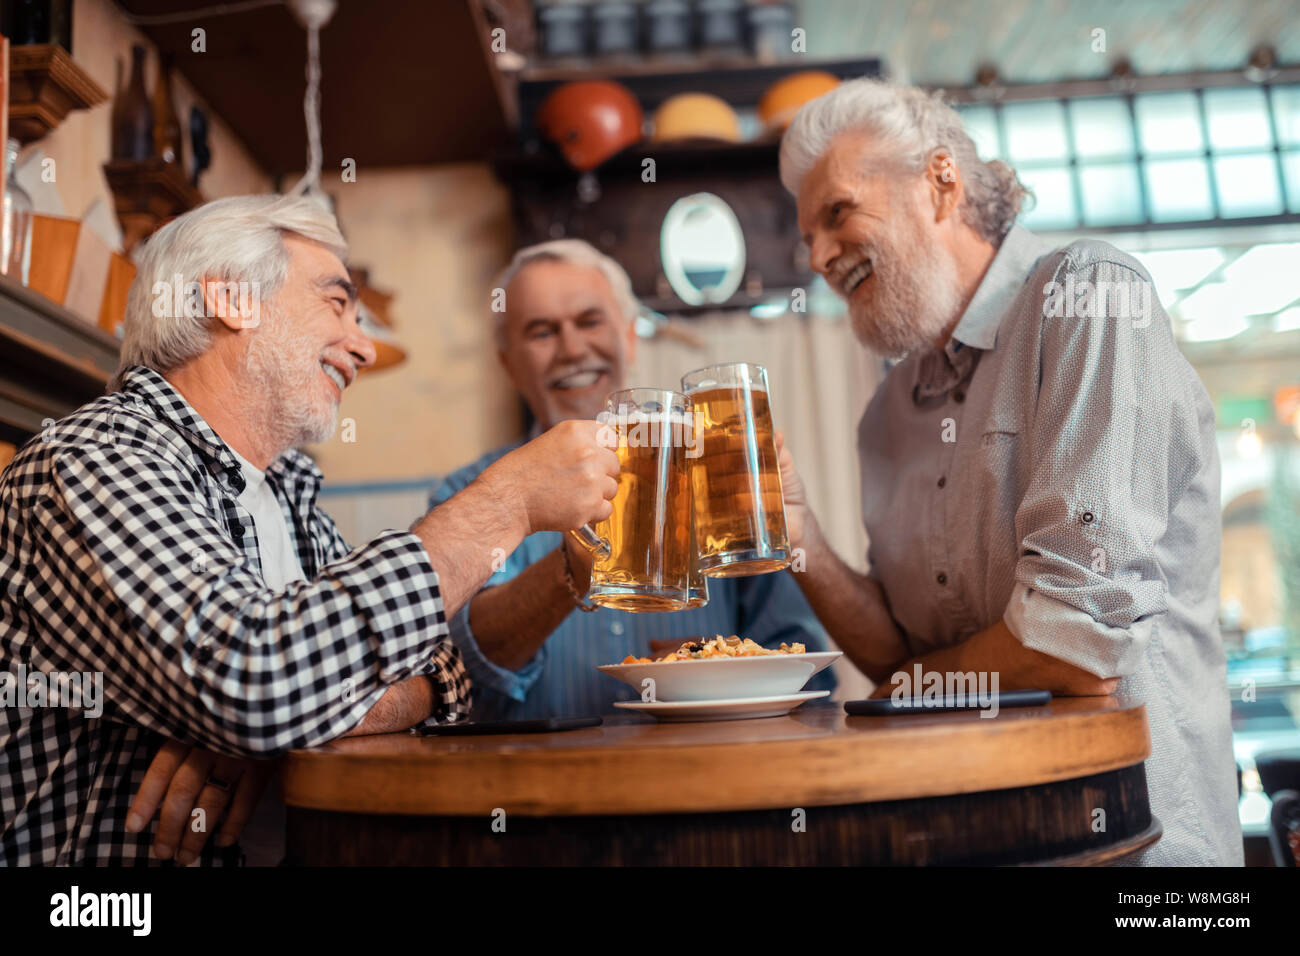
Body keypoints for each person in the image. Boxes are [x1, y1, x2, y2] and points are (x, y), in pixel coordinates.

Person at [0, 195, 619, 865]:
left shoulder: (287, 494)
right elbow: (259, 680)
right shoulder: (94, 458)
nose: (362, 345)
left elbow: (444, 674)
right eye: (336, 303)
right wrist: (509, 502)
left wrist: (279, 734)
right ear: (232, 300)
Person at [774, 78, 1242, 865]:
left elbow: (1071, 646)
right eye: (808, 239)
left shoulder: (1091, 298)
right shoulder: (883, 417)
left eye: (838, 213)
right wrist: (796, 532)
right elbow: (895, 658)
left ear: (939, 180)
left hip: (1145, 855)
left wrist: (915, 688)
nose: (818, 257)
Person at [429, 239, 835, 720]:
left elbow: (803, 665)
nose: (572, 348)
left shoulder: (715, 476)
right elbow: (457, 667)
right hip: (538, 788)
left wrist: (715, 666)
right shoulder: (466, 493)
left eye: (589, 321)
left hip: (709, 781)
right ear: (508, 365)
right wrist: (567, 573)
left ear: (629, 338)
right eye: (541, 332)